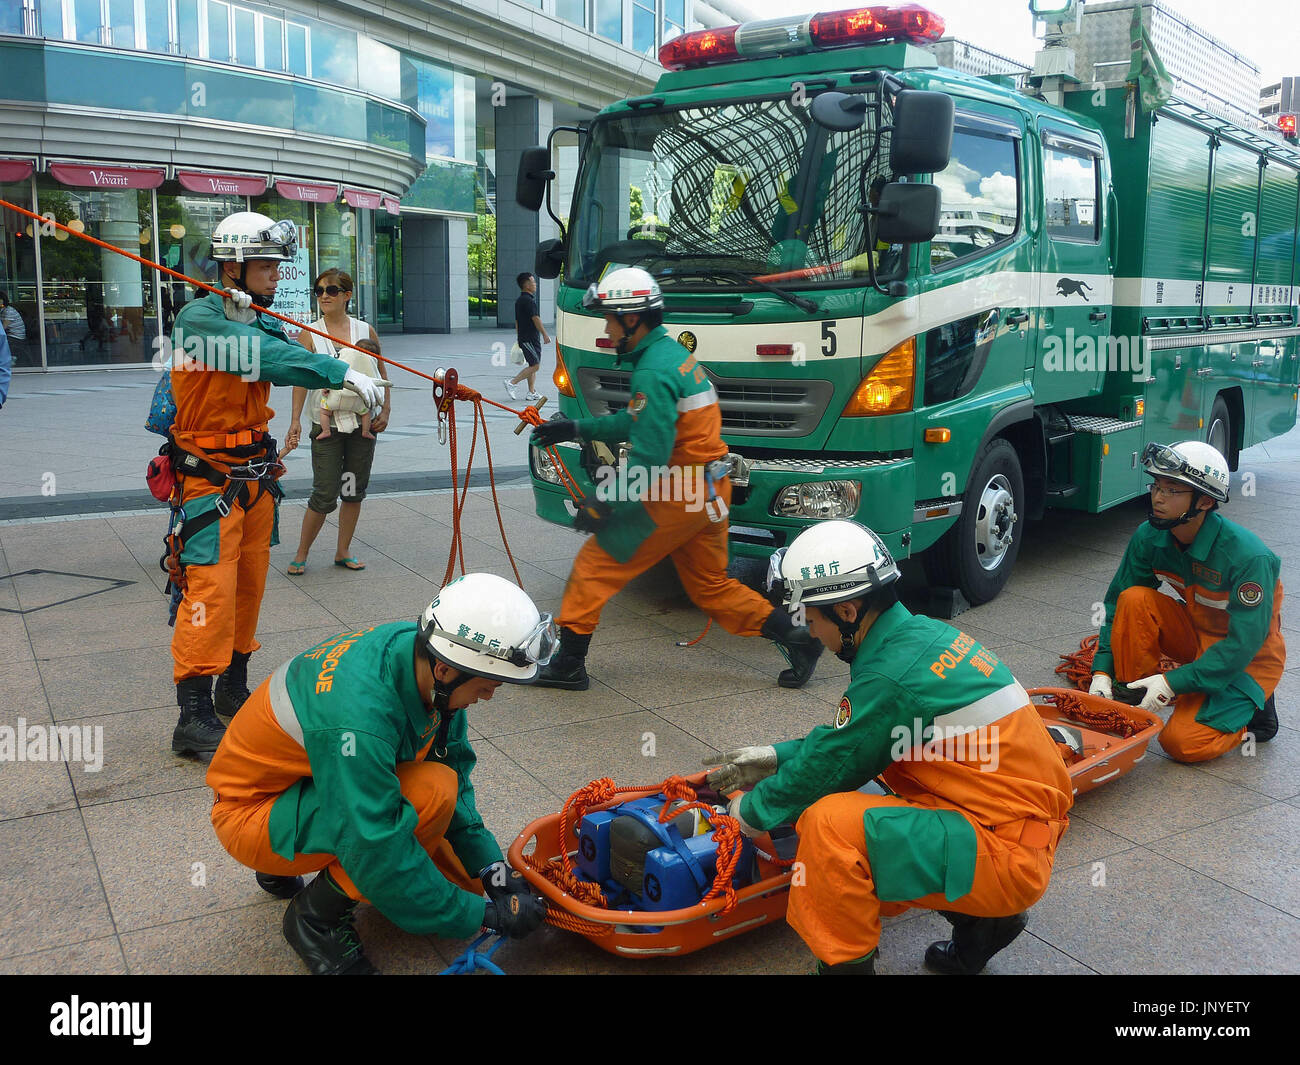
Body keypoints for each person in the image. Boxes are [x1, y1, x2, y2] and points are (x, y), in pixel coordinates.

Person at [706, 520, 1073, 975]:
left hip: (1006, 852)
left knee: (829, 826)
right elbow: (856, 741)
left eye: (812, 618)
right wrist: (776, 756)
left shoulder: (890, 674)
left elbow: (831, 766)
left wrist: (743, 816)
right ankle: (983, 925)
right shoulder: (919, 638)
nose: (811, 633)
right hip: (1009, 826)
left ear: (847, 610)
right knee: (866, 794)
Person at [205, 574, 551, 974]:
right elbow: (376, 843)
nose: (490, 695)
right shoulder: (361, 717)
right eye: (489, 684)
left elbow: (452, 761)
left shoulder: (420, 652)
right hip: (247, 815)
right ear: (444, 670)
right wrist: (480, 916)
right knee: (431, 793)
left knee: (458, 863)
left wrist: (492, 869)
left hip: (301, 781)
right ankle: (316, 920)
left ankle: (295, 859)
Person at [530, 267, 822, 691]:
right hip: (710, 487)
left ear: (632, 319)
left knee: (595, 566)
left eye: (611, 318)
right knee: (710, 586)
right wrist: (577, 429)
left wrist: (604, 500)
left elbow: (649, 453)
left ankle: (569, 665)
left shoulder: (652, 370)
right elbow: (640, 419)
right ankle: (797, 637)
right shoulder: (671, 356)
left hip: (680, 491)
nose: (607, 329)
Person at [167, 213, 385, 762]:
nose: (276, 275)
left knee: (249, 585)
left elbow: (287, 354)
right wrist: (339, 373)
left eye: (277, 264)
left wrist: (339, 369)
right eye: (265, 264)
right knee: (209, 594)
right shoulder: (198, 320)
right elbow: (263, 357)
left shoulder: (255, 318)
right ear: (232, 265)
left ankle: (232, 685)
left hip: (253, 478)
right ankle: (192, 713)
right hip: (209, 480)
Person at [1089, 441, 1285, 761]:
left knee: (1182, 743)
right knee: (1133, 599)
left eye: (1172, 489)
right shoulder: (1149, 537)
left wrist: (1172, 682)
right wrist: (1102, 672)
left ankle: (1251, 707)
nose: (1157, 497)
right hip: (1198, 637)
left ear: (1205, 501)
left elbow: (1242, 645)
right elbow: (1116, 606)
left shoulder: (1249, 557)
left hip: (1248, 657)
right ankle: (1132, 693)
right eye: (1156, 485)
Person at [286, 270, 391, 574]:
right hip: (326, 425)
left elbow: (381, 373)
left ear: (347, 295)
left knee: (353, 489)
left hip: (362, 424)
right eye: (318, 291)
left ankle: (342, 550)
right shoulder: (310, 333)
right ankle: (301, 552)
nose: (324, 296)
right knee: (324, 490)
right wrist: (295, 420)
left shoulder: (365, 330)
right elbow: (299, 380)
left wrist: (385, 412)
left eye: (331, 290)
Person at [318, 337, 382, 441]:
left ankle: (326, 431)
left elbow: (334, 375)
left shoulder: (345, 361)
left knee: (324, 412)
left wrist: (326, 387)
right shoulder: (371, 368)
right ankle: (365, 432)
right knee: (366, 414)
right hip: (358, 401)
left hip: (337, 398)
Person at [505, 271, 549, 402]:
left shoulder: (520, 300)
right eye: (533, 282)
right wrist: (545, 335)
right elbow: (535, 318)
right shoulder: (529, 301)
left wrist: (519, 337)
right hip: (530, 338)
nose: (535, 284)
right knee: (535, 366)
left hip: (526, 338)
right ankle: (512, 383)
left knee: (532, 364)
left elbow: (517, 321)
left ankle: (531, 392)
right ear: (526, 285)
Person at [0, 290, 26, 365]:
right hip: (9, 335)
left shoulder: (9, 311)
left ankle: (9, 362)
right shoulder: (2, 310)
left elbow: (2, 328)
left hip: (16, 338)